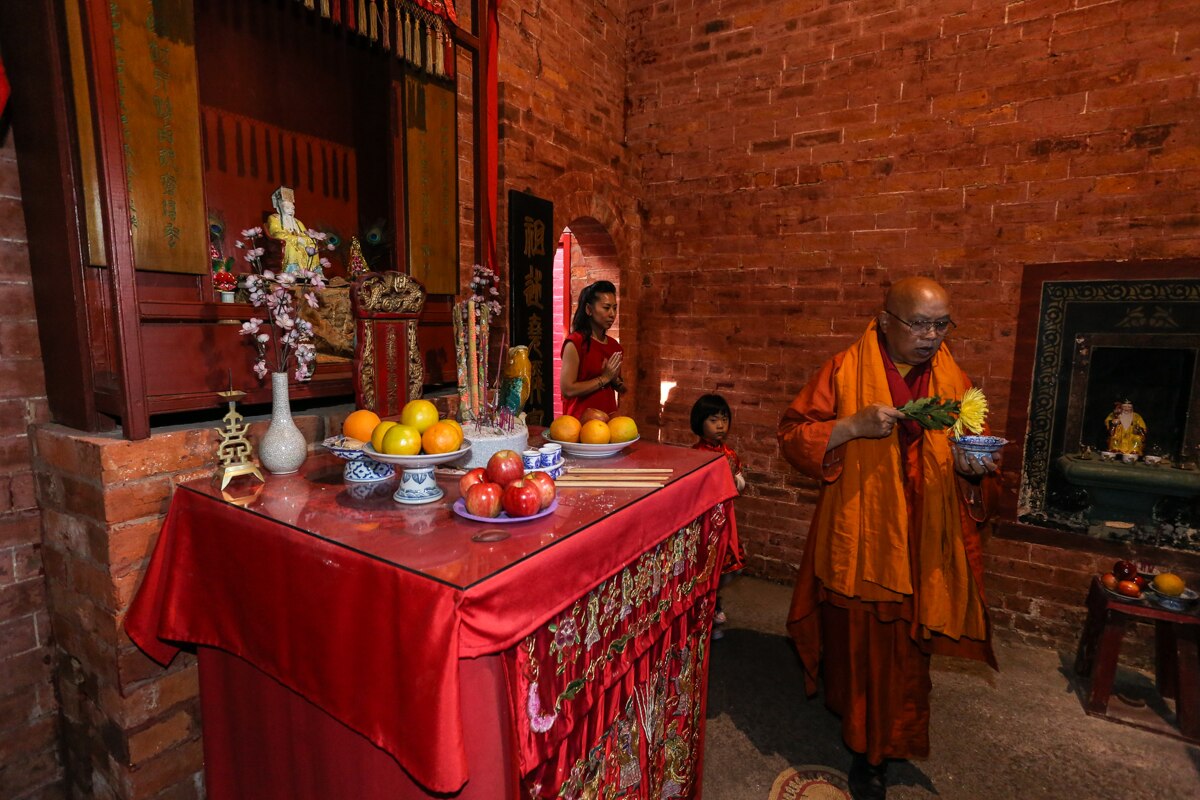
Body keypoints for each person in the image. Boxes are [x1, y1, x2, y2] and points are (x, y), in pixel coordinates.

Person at [777, 277, 999, 800]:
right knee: (862, 647)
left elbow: (977, 451)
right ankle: (867, 753)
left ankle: (890, 741)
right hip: (864, 533)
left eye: (941, 324)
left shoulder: (952, 376)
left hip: (926, 539)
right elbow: (791, 435)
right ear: (884, 320)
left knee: (906, 654)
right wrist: (849, 426)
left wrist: (974, 469)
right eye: (919, 324)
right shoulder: (843, 369)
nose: (931, 336)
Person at [690, 393, 747, 640]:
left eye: (724, 419)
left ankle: (714, 601)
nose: (721, 425)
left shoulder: (730, 454)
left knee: (729, 567)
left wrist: (735, 480)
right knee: (704, 566)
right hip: (704, 522)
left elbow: (740, 482)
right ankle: (704, 613)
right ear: (699, 423)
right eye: (713, 420)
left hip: (726, 520)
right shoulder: (694, 456)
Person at [559, 280, 626, 418]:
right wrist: (604, 378)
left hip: (608, 421)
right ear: (589, 309)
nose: (612, 314)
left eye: (615, 307)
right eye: (607, 308)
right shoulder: (575, 343)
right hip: (580, 424)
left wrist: (615, 381)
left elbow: (622, 389)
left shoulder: (615, 346)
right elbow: (567, 390)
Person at [267, 186, 321, 274]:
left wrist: (306, 239)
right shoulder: (274, 218)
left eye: (292, 208)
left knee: (313, 246)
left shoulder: (297, 222)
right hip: (285, 243)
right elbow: (275, 233)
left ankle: (313, 272)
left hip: (301, 244)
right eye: (287, 208)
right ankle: (292, 271)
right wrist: (296, 239)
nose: (290, 211)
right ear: (279, 208)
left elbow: (306, 234)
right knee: (291, 247)